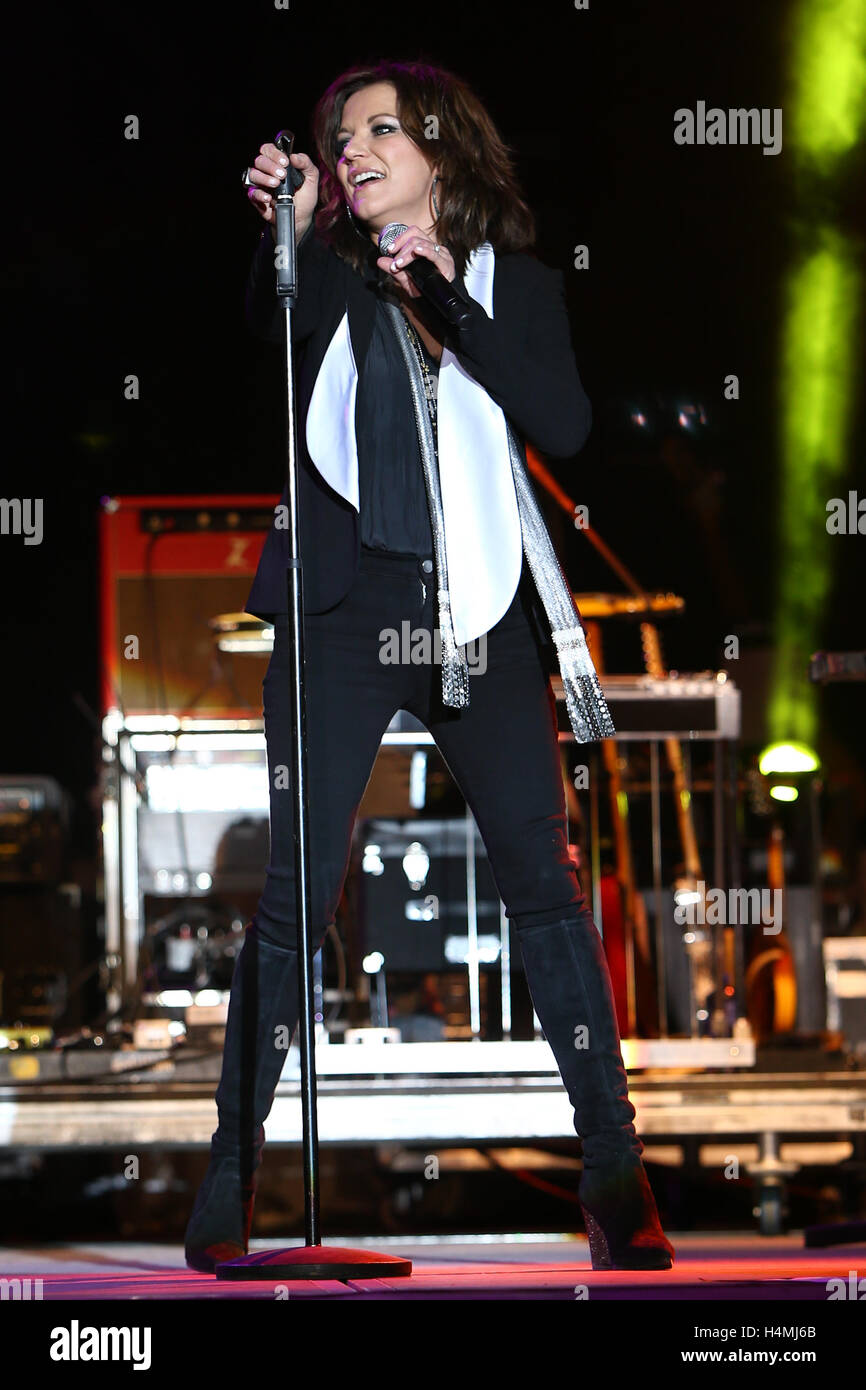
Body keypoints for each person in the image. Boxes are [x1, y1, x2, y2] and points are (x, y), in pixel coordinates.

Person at [184, 58, 674, 1273]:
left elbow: (558, 424)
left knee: (543, 884)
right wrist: (289, 234)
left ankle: (611, 1169)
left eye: (375, 129)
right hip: (343, 607)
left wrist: (453, 300)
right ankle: (231, 1175)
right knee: (299, 889)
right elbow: (270, 317)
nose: (349, 147)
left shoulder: (516, 288)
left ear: (442, 151)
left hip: (480, 614)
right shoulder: (334, 274)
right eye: (336, 136)